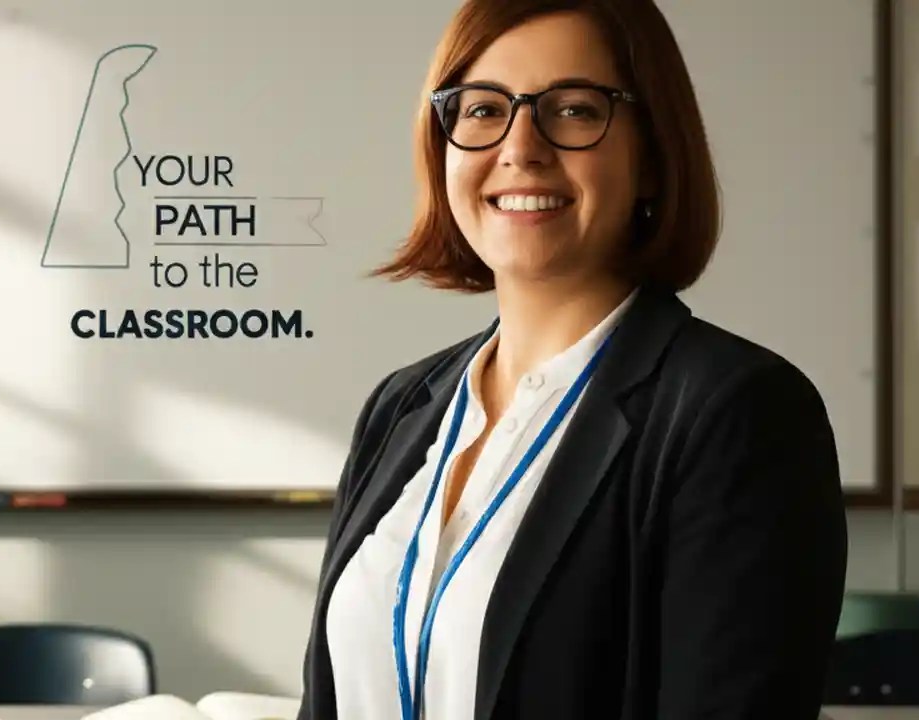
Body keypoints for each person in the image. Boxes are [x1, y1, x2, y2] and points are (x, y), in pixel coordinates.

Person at [296, 1, 849, 719]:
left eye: (576, 110)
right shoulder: (403, 408)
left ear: (652, 155)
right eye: (483, 109)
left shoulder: (737, 411)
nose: (520, 147)